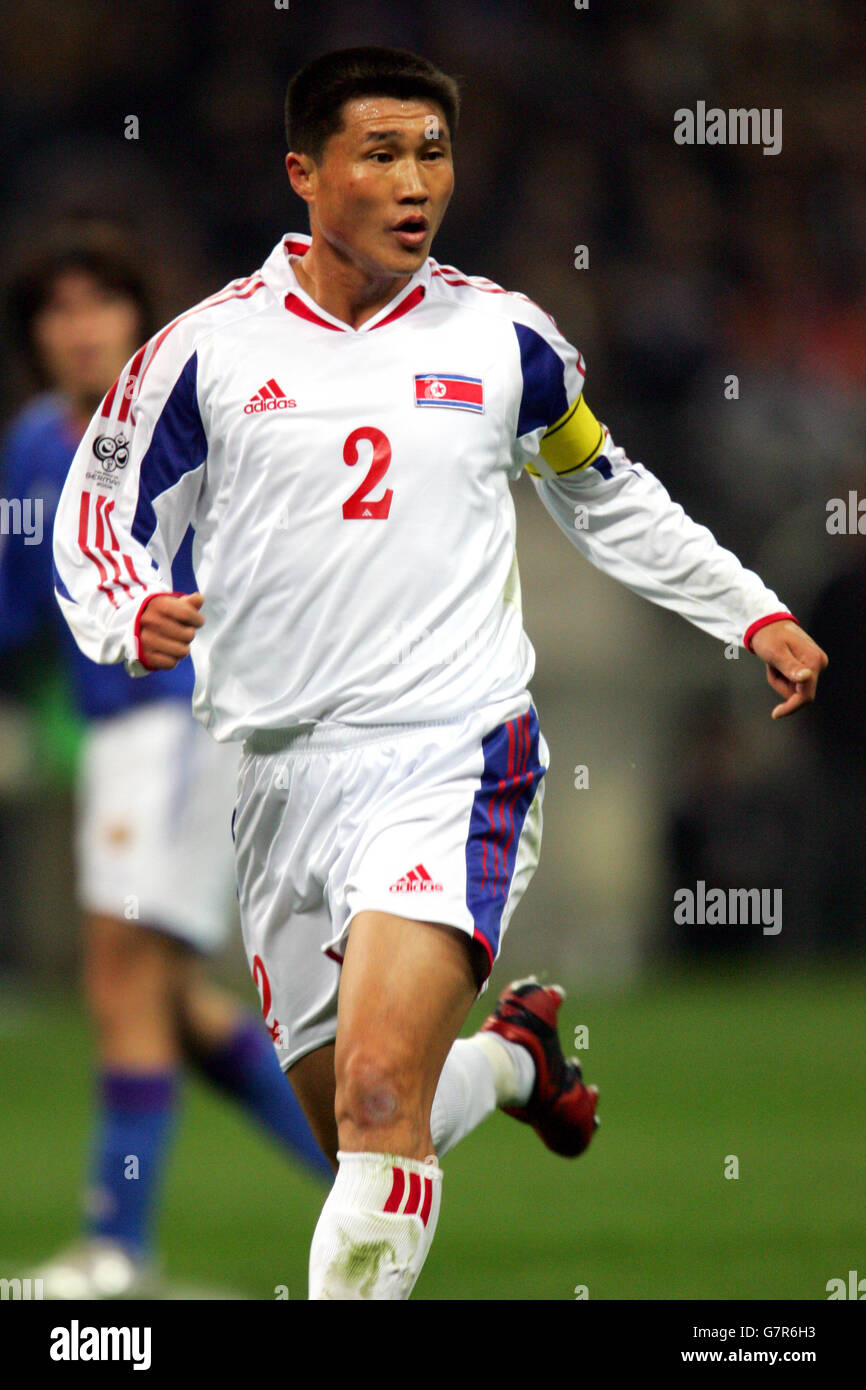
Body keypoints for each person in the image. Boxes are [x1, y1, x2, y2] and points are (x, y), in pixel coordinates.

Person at [52, 49, 827, 1300]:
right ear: (304, 173)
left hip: (447, 751)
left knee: (371, 1095)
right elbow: (96, 520)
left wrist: (746, 610)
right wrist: (129, 606)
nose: (417, 183)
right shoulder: (203, 354)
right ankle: (518, 1056)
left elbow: (603, 495)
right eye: (381, 155)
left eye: (433, 153)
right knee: (361, 1117)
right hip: (270, 777)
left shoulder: (504, 337)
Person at [1, 226, 332, 1300]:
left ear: (140, 320)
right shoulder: (33, 446)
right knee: (176, 1006)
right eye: (57, 309)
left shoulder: (185, 425)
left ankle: (115, 1244)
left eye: (102, 302)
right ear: (34, 335)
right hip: (112, 739)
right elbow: (14, 605)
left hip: (182, 724)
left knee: (118, 976)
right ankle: (364, 1178)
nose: (80, 326)